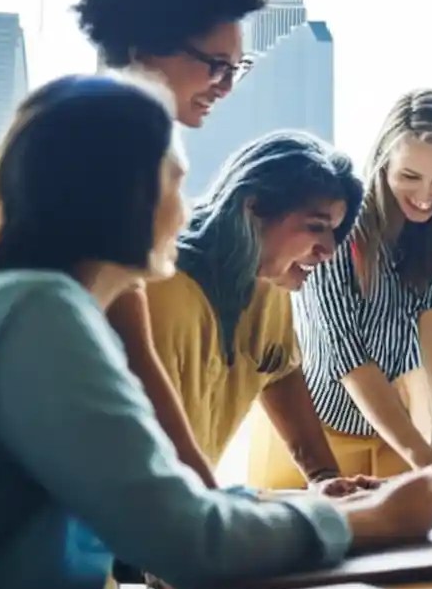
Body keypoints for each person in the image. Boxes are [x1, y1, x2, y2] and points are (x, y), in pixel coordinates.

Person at [0, 75, 432, 589]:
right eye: (175, 184)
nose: (186, 210)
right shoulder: (40, 315)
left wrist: (316, 497)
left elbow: (168, 504)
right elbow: (185, 537)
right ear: (120, 194)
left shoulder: (2, 304)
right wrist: (374, 521)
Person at [0, 0, 268, 489]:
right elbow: (137, 358)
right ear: (148, 48)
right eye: (216, 65)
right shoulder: (104, 162)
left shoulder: (56, 132)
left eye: (236, 68)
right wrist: (209, 504)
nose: (225, 86)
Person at [250, 90, 432, 491]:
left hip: (402, 428)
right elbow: (347, 354)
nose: (425, 196)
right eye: (410, 176)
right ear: (383, 162)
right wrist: (423, 458)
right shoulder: (337, 223)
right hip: (314, 429)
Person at [145, 131, 372, 495]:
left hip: (191, 504)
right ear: (252, 209)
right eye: (316, 226)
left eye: (333, 231)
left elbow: (279, 370)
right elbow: (156, 472)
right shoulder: (162, 293)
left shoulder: (270, 284)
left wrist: (325, 477)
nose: (329, 250)